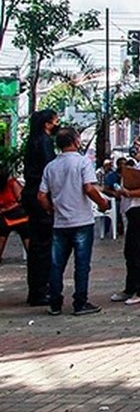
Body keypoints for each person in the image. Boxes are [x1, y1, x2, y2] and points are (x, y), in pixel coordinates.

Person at [38, 125, 111, 316]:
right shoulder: (82, 163)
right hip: (81, 221)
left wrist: (51, 209)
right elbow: (89, 188)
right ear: (75, 141)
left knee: (57, 265)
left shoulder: (51, 166)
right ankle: (80, 302)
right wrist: (102, 203)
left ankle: (55, 302)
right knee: (82, 264)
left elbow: (41, 196)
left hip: (60, 222)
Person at [110, 135, 140, 305]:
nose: (134, 147)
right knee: (130, 252)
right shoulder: (138, 166)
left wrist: (129, 193)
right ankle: (130, 287)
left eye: (137, 145)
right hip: (135, 211)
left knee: (139, 252)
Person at [21, 109, 59, 306]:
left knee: (37, 244)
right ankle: (39, 290)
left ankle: (36, 289)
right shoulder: (44, 142)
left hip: (31, 194)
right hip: (38, 195)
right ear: (47, 124)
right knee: (43, 245)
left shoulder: (33, 140)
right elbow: (49, 171)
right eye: (55, 121)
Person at [0, 161, 29, 265]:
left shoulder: (12, 183)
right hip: (5, 218)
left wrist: (6, 209)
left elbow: (21, 200)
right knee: (2, 231)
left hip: (19, 215)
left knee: (26, 233)